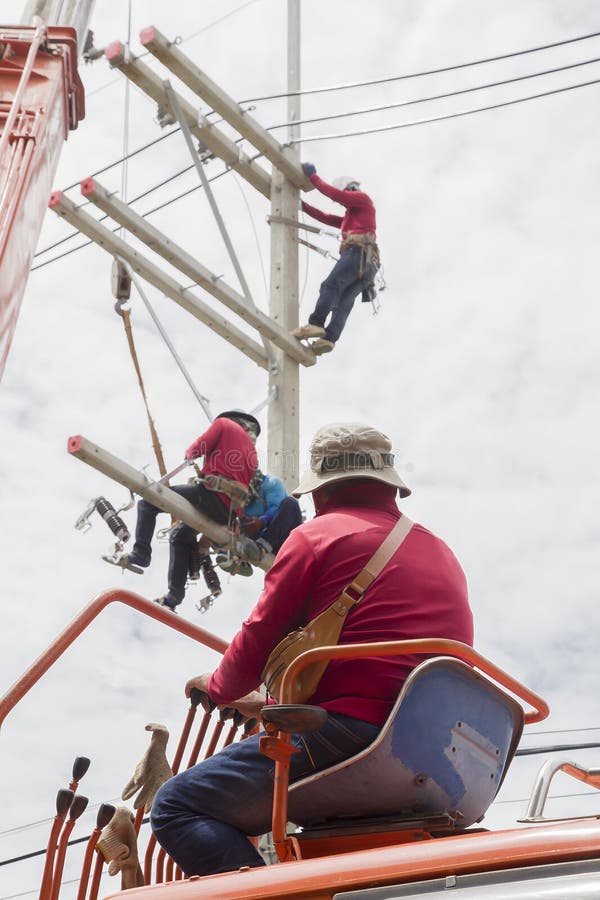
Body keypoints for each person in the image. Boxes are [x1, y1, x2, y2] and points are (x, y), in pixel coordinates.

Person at [150, 421, 474, 874]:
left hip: (357, 736)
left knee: (176, 806)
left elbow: (259, 637)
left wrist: (220, 687)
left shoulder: (316, 536)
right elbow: (388, 661)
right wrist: (268, 704)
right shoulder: (441, 551)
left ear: (320, 491)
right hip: (450, 747)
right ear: (390, 485)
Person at [113, 410, 260, 612]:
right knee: (180, 536)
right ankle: (173, 599)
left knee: (148, 502)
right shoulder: (253, 454)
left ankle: (141, 554)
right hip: (227, 514)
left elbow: (198, 447)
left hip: (210, 496)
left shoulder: (224, 425)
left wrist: (191, 454)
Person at [293, 163, 380, 355]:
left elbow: (335, 195)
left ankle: (316, 323)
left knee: (330, 286)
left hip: (357, 253)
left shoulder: (362, 199)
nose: (342, 204)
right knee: (343, 303)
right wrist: (303, 207)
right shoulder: (354, 214)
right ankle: (329, 339)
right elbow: (327, 218)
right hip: (368, 265)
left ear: (350, 189)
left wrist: (314, 178)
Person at [216, 469, 303, 576]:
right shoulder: (242, 501)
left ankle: (262, 546)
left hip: (285, 536)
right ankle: (236, 556)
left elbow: (275, 508)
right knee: (237, 523)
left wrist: (262, 522)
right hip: (263, 543)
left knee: (290, 503)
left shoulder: (272, 483)